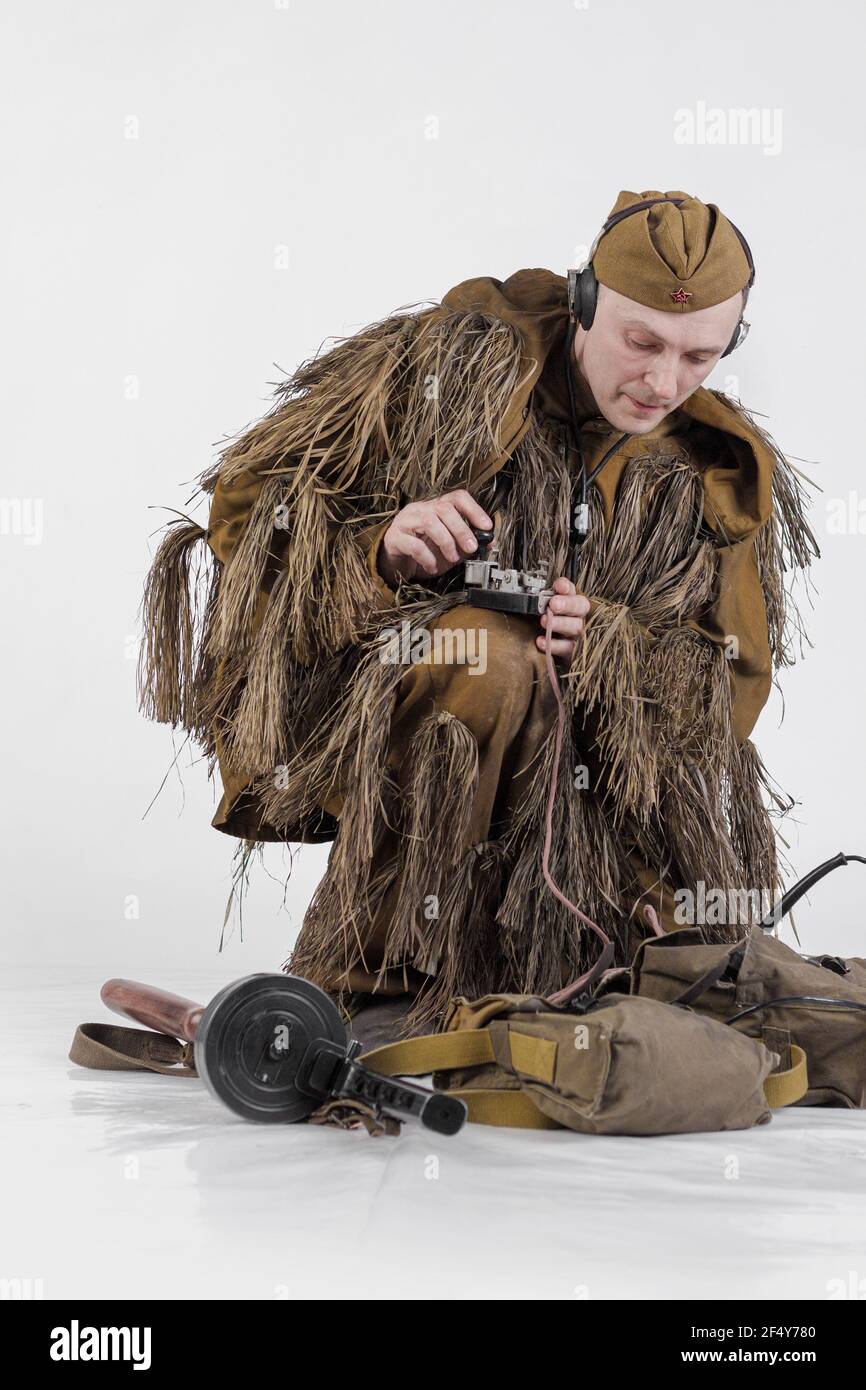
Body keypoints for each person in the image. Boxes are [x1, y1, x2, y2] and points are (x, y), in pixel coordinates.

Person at [138, 189, 818, 1047]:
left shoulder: (716, 473)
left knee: (695, 1009)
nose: (662, 382)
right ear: (583, 303)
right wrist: (379, 547)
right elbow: (246, 508)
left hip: (602, 809)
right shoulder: (444, 371)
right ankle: (367, 975)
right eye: (640, 342)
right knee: (487, 653)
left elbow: (730, 699)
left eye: (698, 357)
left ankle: (543, 976)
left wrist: (610, 647)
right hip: (399, 713)